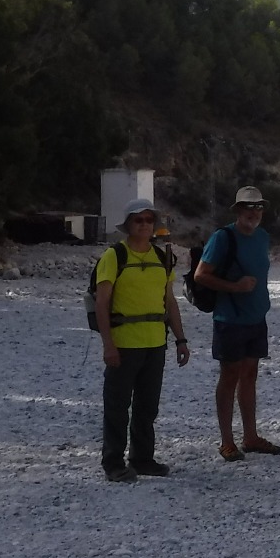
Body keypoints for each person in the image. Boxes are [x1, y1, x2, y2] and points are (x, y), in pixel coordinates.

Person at [95, 199, 190, 481]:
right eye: (139, 220)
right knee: (117, 405)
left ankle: (142, 458)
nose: (145, 225)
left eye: (149, 220)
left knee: (148, 406)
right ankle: (113, 463)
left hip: (154, 344)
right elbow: (102, 303)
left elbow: (169, 301)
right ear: (128, 225)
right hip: (124, 344)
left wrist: (180, 340)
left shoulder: (163, 258)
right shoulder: (114, 257)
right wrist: (108, 345)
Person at [193, 186, 280, 461]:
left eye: (258, 207)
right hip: (229, 319)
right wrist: (235, 286)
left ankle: (250, 437)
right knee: (229, 376)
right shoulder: (223, 237)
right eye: (248, 207)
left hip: (256, 317)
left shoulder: (263, 236)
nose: (253, 212)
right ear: (238, 210)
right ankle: (226, 441)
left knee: (250, 375)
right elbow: (200, 275)